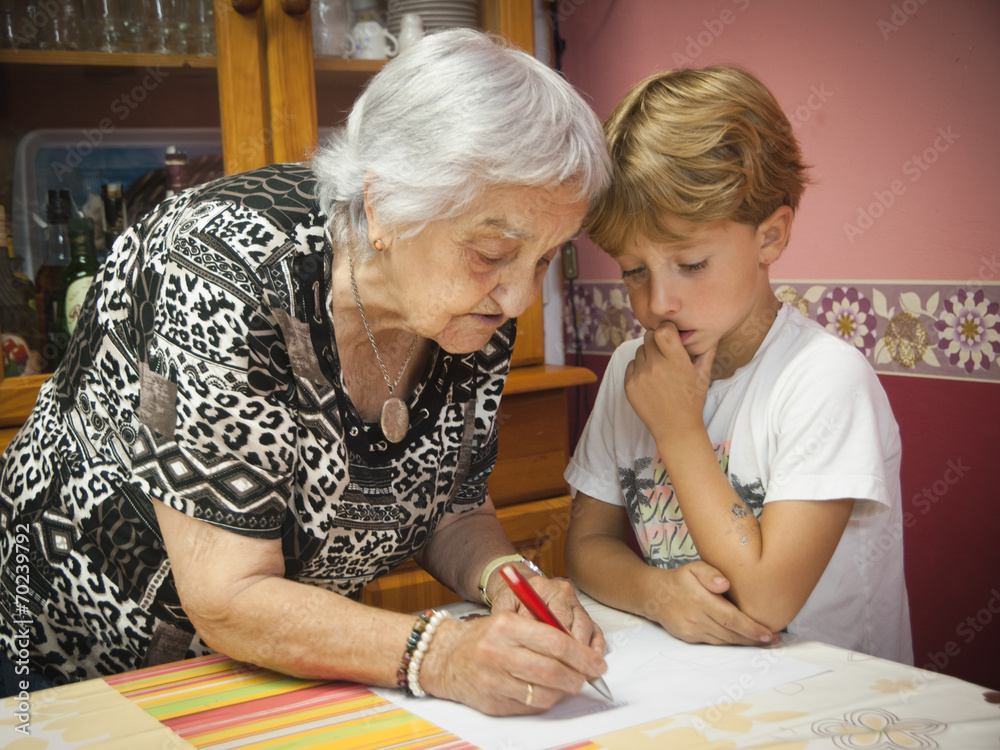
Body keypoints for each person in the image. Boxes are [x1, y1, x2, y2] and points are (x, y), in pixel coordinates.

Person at [0, 29, 614, 715]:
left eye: (545, 258)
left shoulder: (467, 307)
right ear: (383, 207)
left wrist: (510, 580)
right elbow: (228, 597)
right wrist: (442, 654)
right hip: (71, 669)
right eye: (494, 251)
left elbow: (451, 503)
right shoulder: (222, 268)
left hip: (275, 674)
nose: (519, 296)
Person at [563, 65, 913, 664]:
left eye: (691, 263)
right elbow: (585, 546)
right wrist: (655, 593)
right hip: (699, 687)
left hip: (828, 704)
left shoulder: (824, 381)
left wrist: (678, 429)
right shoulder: (632, 372)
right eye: (633, 269)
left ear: (770, 237)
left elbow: (766, 600)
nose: (657, 303)